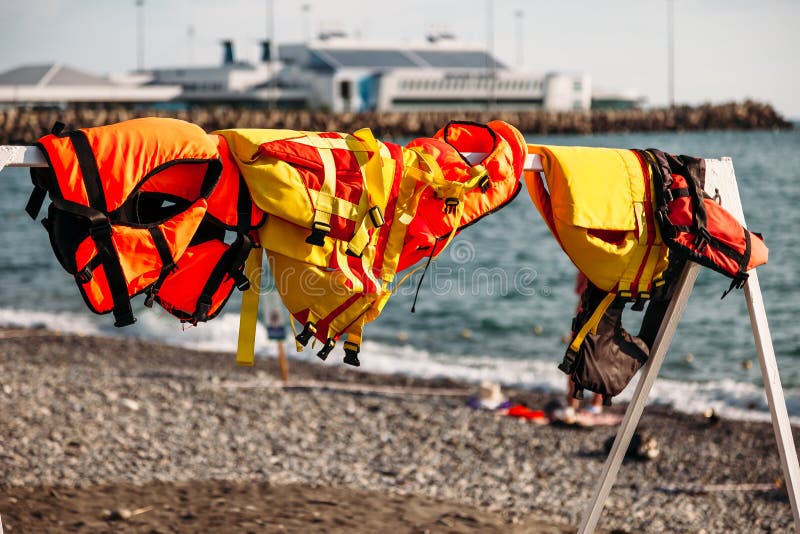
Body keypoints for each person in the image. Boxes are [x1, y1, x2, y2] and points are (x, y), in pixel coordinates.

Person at [559, 272, 604, 424]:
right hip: (602, 308)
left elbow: (579, 290)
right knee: (599, 355)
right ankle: (592, 403)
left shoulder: (587, 264)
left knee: (577, 355)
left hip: (589, 308)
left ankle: (576, 401)